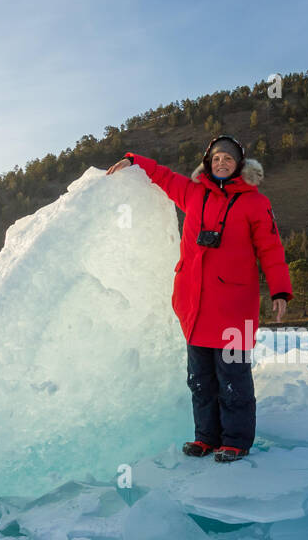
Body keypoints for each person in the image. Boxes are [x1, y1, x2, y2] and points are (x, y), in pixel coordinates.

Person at [106, 135, 292, 462]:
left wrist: (280, 290)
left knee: (232, 378)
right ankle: (205, 437)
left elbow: (271, 249)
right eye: (217, 158)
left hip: (233, 307)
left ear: (239, 166)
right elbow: (163, 176)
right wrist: (134, 160)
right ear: (208, 162)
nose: (221, 163)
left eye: (228, 160)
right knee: (200, 380)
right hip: (194, 306)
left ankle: (235, 441)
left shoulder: (255, 202)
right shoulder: (192, 193)